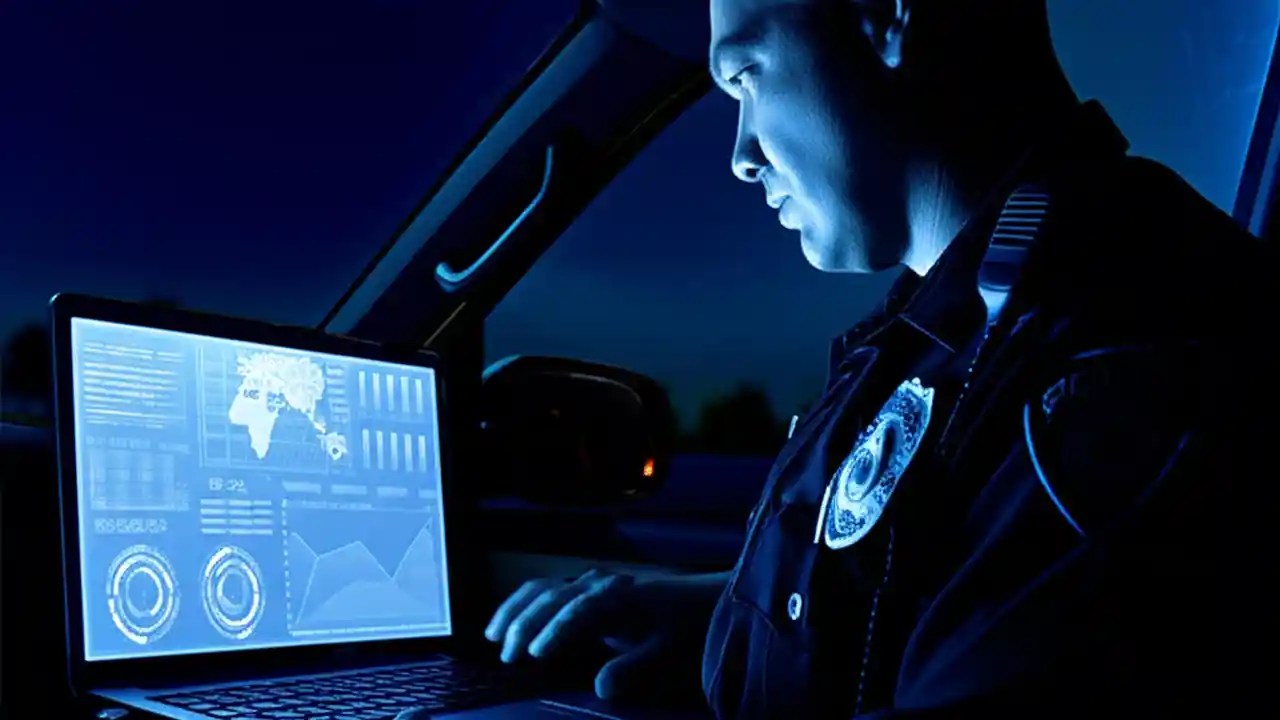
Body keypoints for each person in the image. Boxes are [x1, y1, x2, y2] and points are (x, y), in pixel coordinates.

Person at [481, 0, 1278, 717]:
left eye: (748, 75)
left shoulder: (1118, 367)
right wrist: (708, 610)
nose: (741, 155)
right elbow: (923, 583)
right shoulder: (951, 330)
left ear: (886, 14)